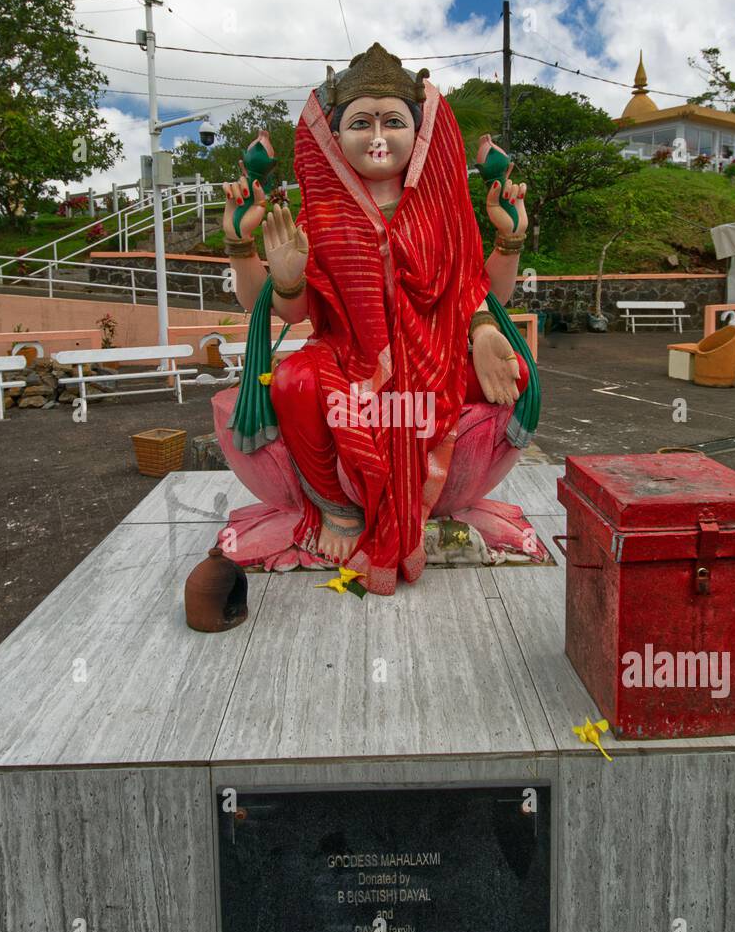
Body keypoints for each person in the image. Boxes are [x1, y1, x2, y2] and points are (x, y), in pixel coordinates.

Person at [212, 42, 537, 595]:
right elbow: (287, 310)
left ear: (419, 133)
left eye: (394, 121)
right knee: (292, 381)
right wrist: (265, 263)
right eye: (361, 122)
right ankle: (337, 509)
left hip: (432, 353)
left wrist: (507, 244)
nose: (379, 135)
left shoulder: (441, 207)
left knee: (511, 380)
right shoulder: (318, 210)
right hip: (345, 354)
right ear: (335, 138)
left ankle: (417, 501)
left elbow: (476, 289)